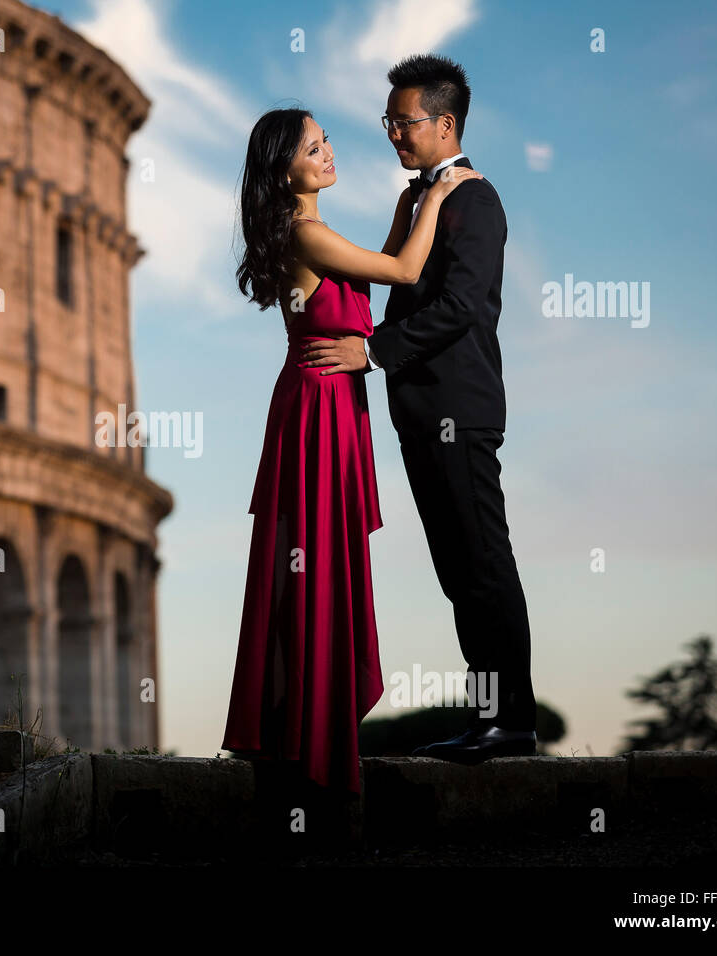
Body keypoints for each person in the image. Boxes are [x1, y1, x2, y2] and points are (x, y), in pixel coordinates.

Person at [222, 106, 481, 798]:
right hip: (317, 410)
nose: (330, 153)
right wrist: (444, 192)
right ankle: (313, 751)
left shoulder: (309, 232)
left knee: (314, 565)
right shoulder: (305, 235)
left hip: (322, 405)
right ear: (286, 171)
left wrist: (408, 202)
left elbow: (371, 268)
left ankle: (300, 734)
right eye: (315, 147)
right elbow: (399, 269)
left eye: (327, 139)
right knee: (317, 563)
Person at [301, 53, 537, 764]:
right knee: (460, 572)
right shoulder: (424, 198)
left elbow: (462, 307)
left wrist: (370, 352)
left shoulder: (474, 198)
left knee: (484, 564)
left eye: (404, 124)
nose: (393, 136)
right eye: (389, 123)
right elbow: (398, 278)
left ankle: (510, 724)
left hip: (458, 409)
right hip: (422, 413)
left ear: (445, 123)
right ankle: (488, 719)